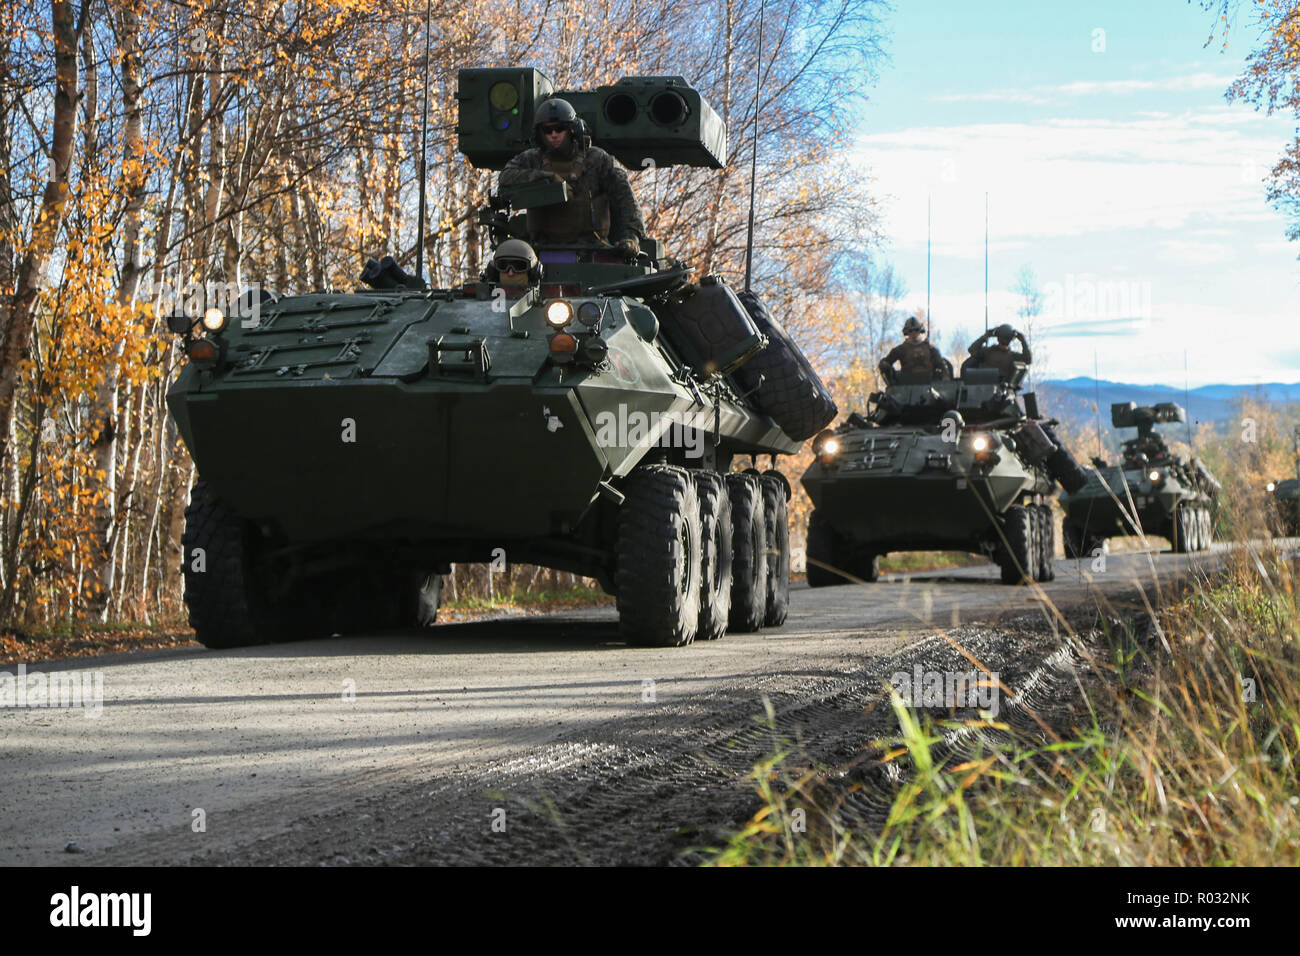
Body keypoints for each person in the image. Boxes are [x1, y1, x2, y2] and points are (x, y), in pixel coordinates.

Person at [498, 98, 645, 256]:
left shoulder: (597, 159)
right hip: (542, 250)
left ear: (572, 130)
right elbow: (506, 177)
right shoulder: (532, 159)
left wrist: (631, 237)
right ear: (540, 133)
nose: (554, 135)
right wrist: (546, 178)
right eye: (547, 130)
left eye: (559, 128)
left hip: (592, 250)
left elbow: (625, 199)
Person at [878, 316, 949, 383]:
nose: (914, 333)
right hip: (906, 387)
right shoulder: (900, 350)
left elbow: (942, 366)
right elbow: (886, 363)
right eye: (910, 331)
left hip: (929, 385)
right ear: (906, 332)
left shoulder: (931, 349)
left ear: (920, 331)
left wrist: (944, 381)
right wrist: (885, 367)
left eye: (916, 330)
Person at [966, 323, 1031, 381]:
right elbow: (971, 350)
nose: (1005, 340)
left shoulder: (1012, 356)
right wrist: (984, 337)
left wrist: (1023, 341)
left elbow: (1028, 360)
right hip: (985, 387)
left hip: (1001, 389)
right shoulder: (988, 352)